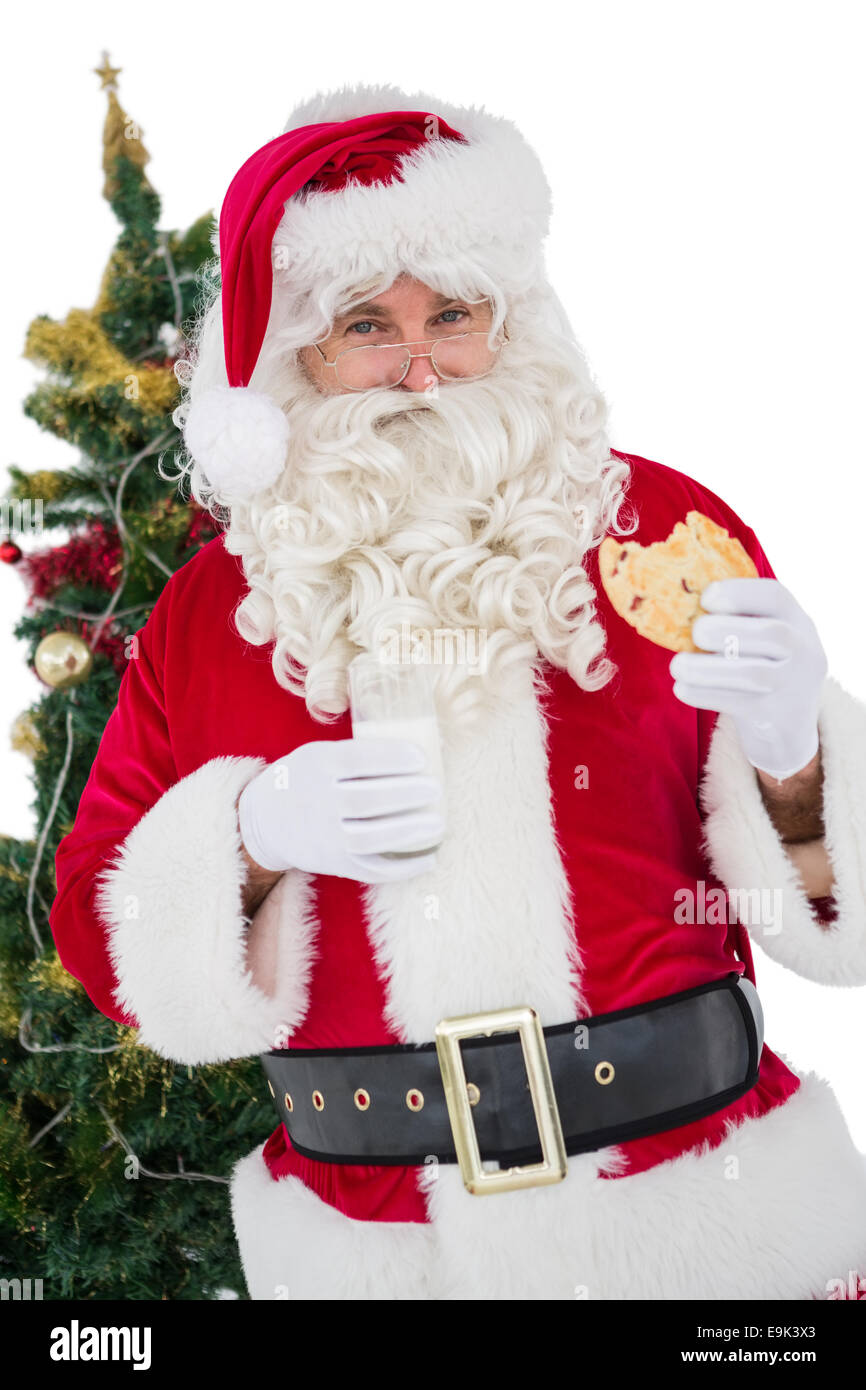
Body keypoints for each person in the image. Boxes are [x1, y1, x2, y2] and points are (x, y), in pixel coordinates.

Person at [49, 83, 866, 1301]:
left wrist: (794, 753)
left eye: (457, 316)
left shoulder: (656, 532)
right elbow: (99, 929)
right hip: (373, 1257)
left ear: (513, 321)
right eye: (368, 325)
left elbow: (829, 931)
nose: (422, 371)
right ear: (291, 357)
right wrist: (250, 840)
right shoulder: (209, 618)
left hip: (709, 1235)